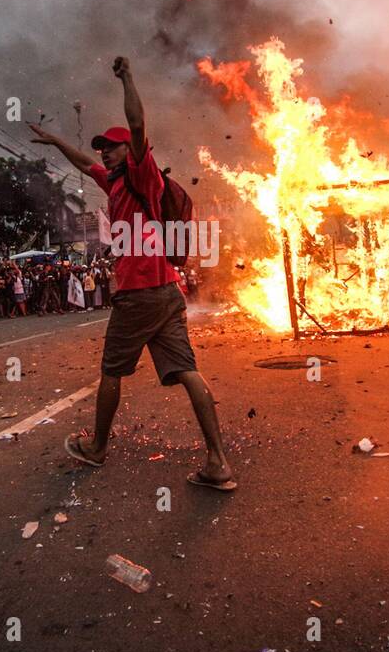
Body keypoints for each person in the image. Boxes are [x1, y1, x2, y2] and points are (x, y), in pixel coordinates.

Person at [29, 54, 235, 491]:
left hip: (140, 295)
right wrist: (54, 140)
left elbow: (139, 126)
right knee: (186, 371)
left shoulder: (143, 176)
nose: (105, 150)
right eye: (103, 145)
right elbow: (86, 164)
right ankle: (218, 463)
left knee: (111, 371)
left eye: (112, 145)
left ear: (131, 152)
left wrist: (128, 78)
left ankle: (98, 448)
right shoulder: (115, 182)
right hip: (167, 292)